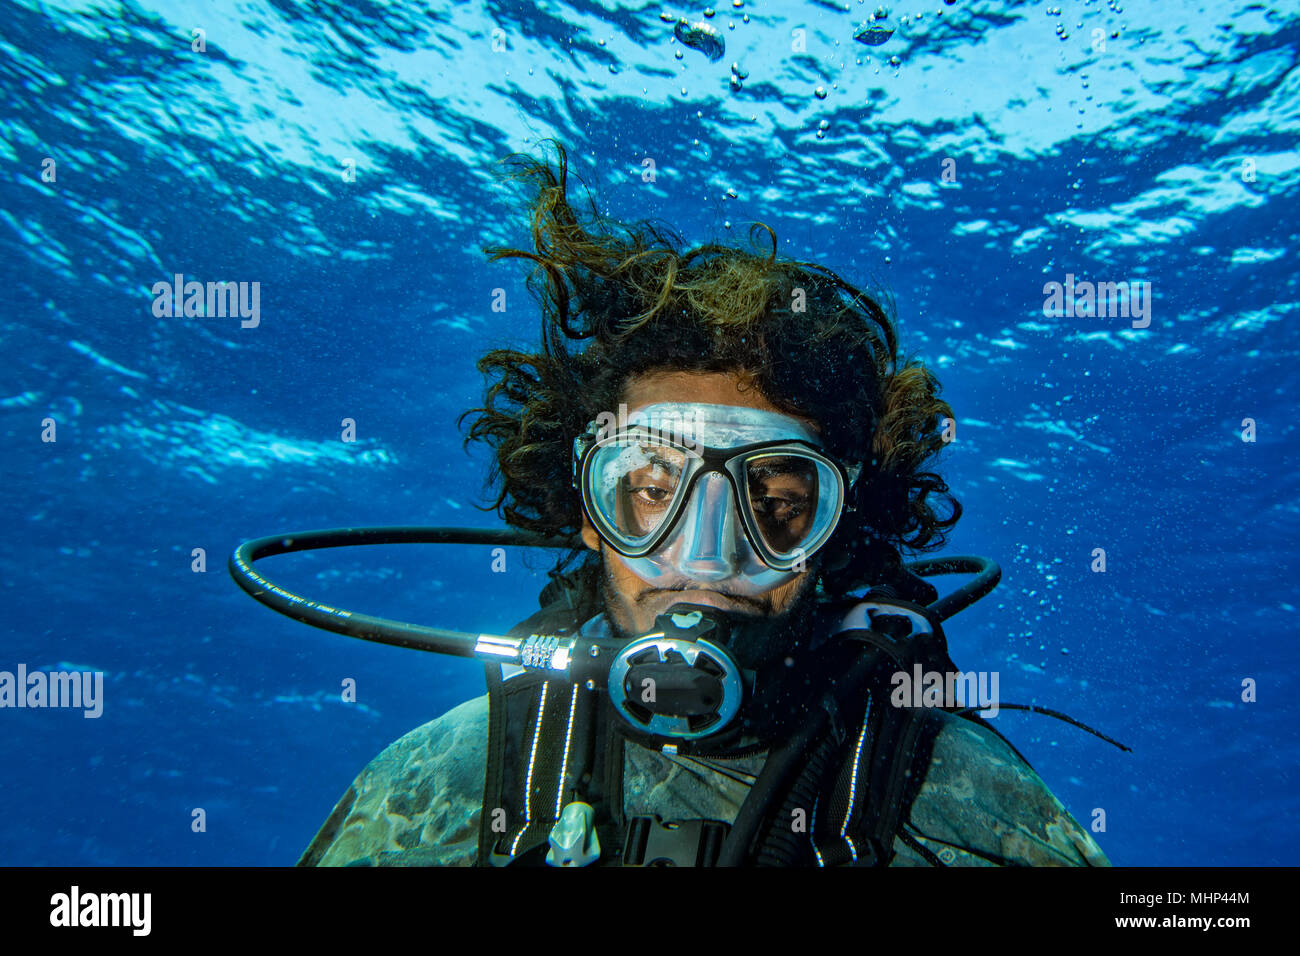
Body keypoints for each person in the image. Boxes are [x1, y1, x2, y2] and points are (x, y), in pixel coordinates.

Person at [297, 142, 1109, 867]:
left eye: (783, 502)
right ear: (588, 508)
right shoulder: (440, 784)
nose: (708, 557)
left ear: (839, 529)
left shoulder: (973, 804)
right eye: (652, 491)